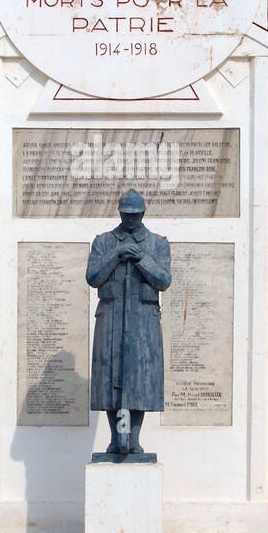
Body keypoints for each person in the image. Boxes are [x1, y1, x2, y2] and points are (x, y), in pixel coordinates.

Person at [86, 189, 171, 457]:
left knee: (140, 380)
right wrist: (117, 253)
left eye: (135, 215)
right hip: (111, 320)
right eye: (126, 214)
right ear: (120, 213)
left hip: (143, 323)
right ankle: (115, 439)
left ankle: (133, 439)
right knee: (110, 377)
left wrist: (141, 258)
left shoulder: (157, 243)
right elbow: (93, 277)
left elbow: (163, 280)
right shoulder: (103, 242)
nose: (131, 220)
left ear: (143, 214)